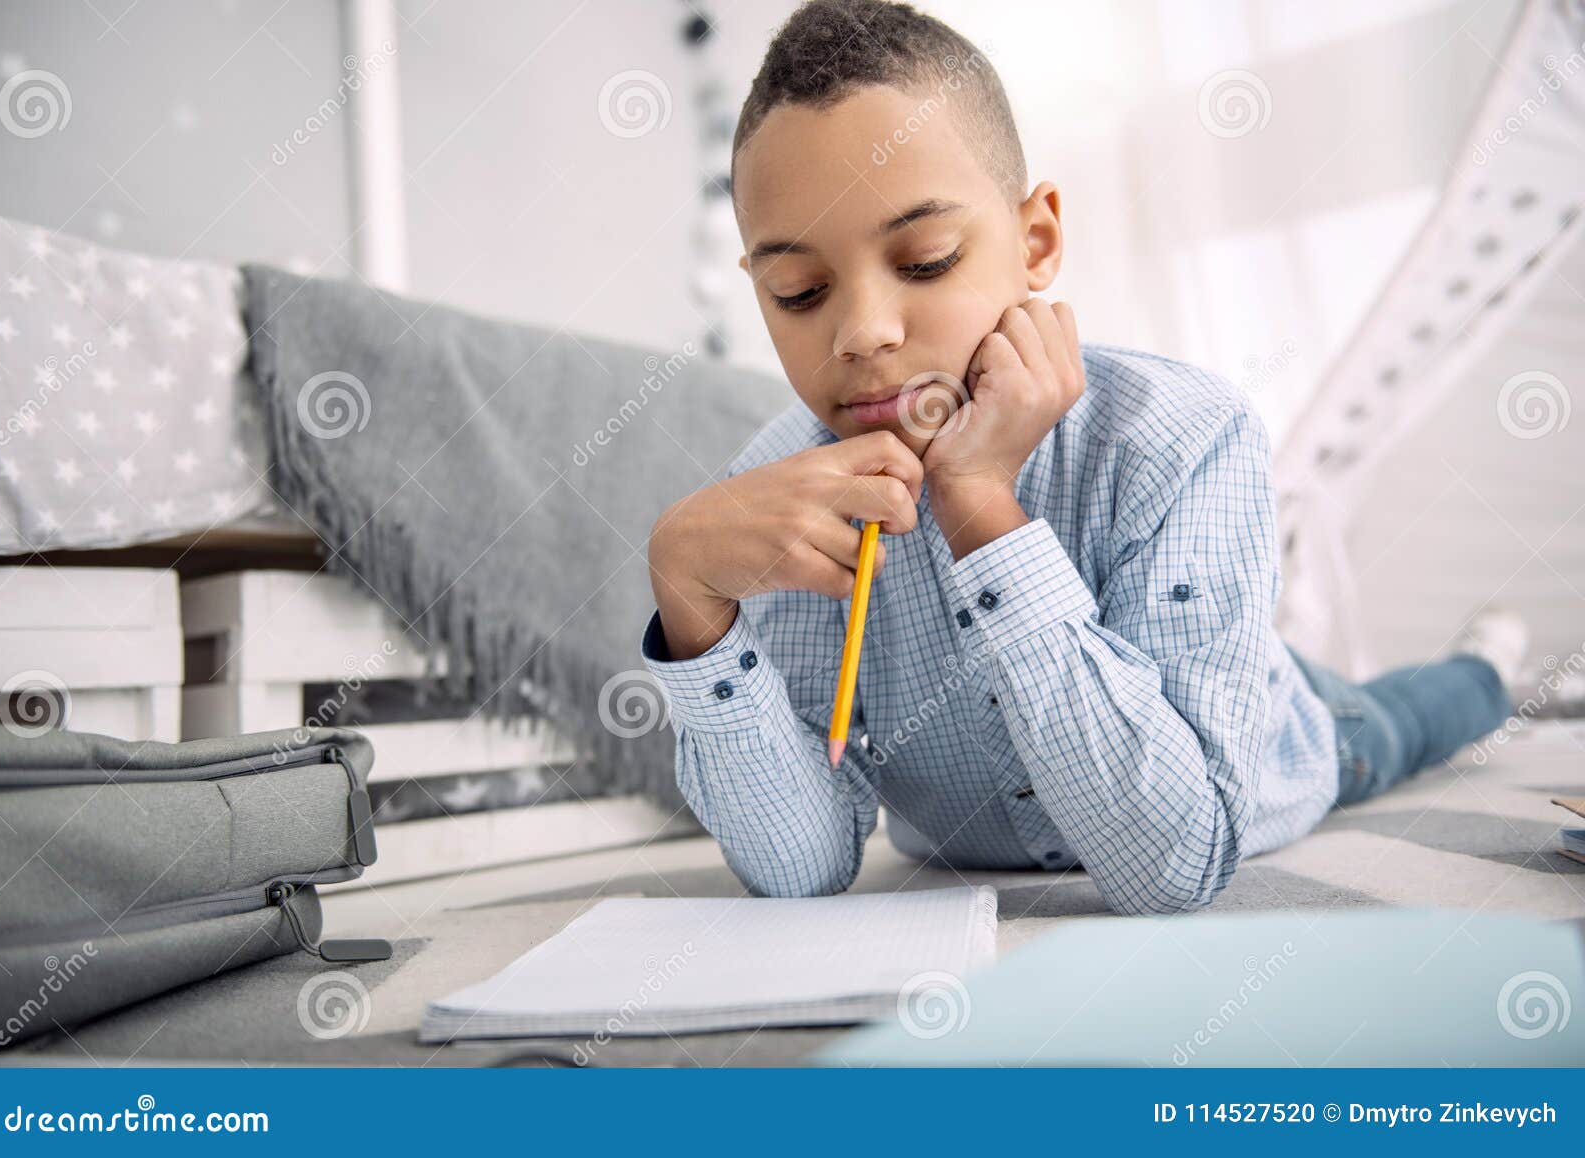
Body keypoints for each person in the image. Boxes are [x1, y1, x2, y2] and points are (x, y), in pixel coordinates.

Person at [637, 0, 1517, 914]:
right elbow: (801, 871)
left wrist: (978, 504)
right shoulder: (784, 497)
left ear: (1037, 242)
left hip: (1295, 728)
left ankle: (1487, 662)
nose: (862, 334)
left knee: (1414, 715)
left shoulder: (1184, 432)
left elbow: (1173, 867)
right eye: (800, 290)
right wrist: (695, 613)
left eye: (927, 260)